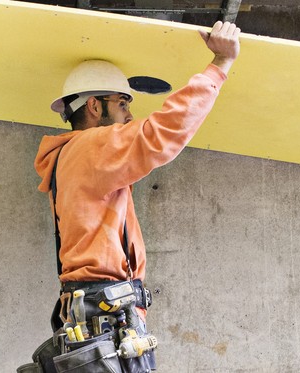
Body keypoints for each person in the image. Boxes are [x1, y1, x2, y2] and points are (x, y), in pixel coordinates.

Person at [27, 21, 240, 372]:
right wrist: (220, 65)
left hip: (96, 315)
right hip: (106, 317)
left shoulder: (68, 157)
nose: (129, 114)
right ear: (94, 106)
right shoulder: (94, 147)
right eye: (122, 103)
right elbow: (162, 132)